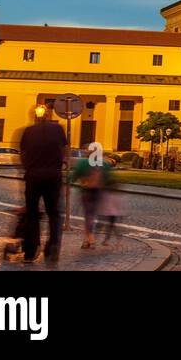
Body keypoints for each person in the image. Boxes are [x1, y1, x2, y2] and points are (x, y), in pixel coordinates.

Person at [18, 106, 68, 265]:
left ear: (35, 116)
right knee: (54, 214)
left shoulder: (28, 131)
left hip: (33, 176)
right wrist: (63, 164)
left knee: (32, 214)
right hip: (53, 176)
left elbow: (22, 153)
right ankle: (53, 246)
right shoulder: (58, 129)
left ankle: (31, 251)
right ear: (49, 116)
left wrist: (28, 168)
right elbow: (65, 150)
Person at [69, 145, 110, 249]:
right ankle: (87, 239)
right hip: (99, 192)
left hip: (86, 192)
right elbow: (109, 179)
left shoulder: (82, 163)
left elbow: (72, 178)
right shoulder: (104, 164)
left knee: (88, 216)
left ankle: (89, 239)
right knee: (93, 215)